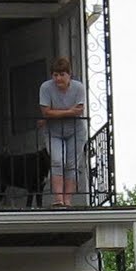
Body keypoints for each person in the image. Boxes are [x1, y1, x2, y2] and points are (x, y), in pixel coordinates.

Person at [38, 55, 86, 207]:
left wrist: (54, 113)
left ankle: (67, 200)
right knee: (57, 161)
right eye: (55, 75)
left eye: (62, 74)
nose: (58, 78)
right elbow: (46, 112)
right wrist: (69, 112)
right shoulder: (46, 88)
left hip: (76, 132)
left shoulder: (78, 88)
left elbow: (79, 110)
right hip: (53, 132)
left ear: (69, 74)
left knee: (72, 164)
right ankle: (58, 199)